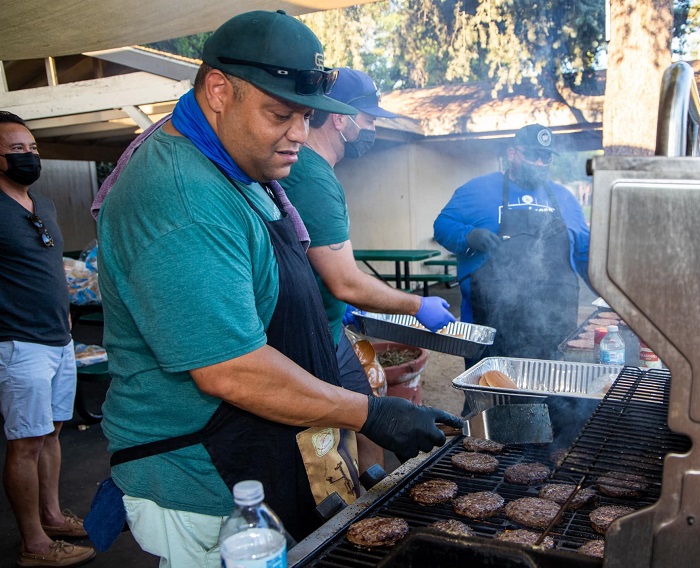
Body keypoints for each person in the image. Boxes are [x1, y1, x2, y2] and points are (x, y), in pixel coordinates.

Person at [95, 10, 461, 566]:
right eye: (279, 113)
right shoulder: (182, 197)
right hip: (205, 478)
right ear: (218, 91)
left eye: (306, 116)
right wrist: (371, 414)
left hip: (258, 449)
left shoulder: (239, 170)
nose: (298, 133)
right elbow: (231, 368)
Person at [280, 67, 456, 472]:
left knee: (367, 414)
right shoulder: (313, 178)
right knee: (344, 430)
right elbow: (344, 280)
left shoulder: (311, 169)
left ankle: (370, 490)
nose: (373, 126)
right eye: (369, 117)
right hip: (310, 337)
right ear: (340, 119)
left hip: (324, 324)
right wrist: (416, 304)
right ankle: (357, 507)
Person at [0, 111, 96, 567]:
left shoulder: (45, 204)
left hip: (59, 337)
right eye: (17, 150)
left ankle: (53, 516)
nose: (28, 156)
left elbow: (48, 267)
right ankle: (34, 544)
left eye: (32, 148)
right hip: (17, 342)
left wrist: (66, 313)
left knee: (53, 432)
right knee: (26, 441)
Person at [434, 124, 590, 362]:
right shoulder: (478, 190)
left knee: (553, 395)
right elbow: (442, 226)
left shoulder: (565, 199)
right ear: (512, 153)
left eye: (545, 156)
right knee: (489, 394)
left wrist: (616, 296)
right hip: (488, 324)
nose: (539, 162)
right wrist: (468, 235)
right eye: (532, 154)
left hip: (553, 324)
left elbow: (586, 254)